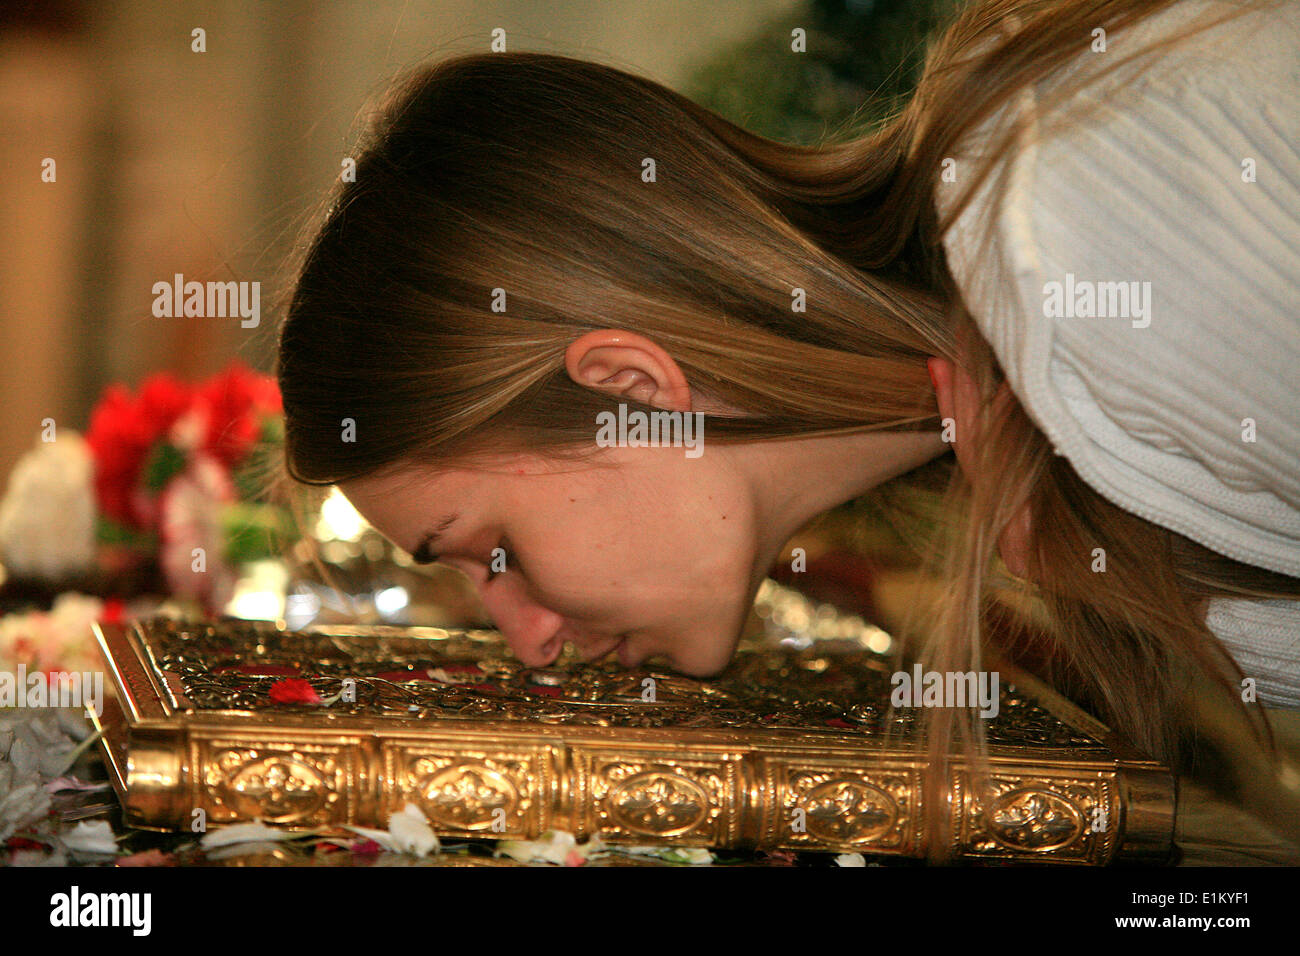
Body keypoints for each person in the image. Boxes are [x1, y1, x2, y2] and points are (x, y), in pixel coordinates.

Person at [276, 0, 1299, 798]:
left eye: (491, 551)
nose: (530, 638)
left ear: (634, 388)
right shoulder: (1037, 384)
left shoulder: (1083, 246)